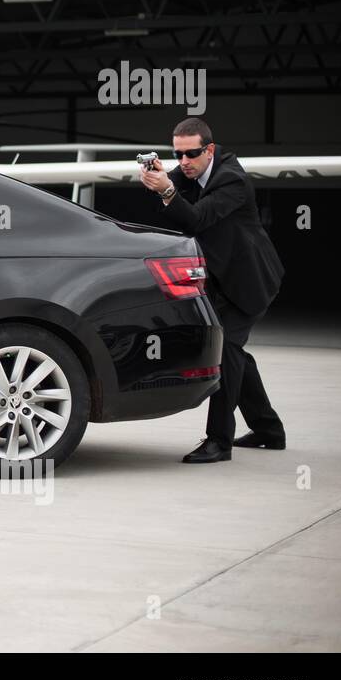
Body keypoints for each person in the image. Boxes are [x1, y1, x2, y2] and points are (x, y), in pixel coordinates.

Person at [139, 117, 286, 463]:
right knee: (235, 353)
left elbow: (196, 218)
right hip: (221, 280)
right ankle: (268, 430)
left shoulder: (231, 179)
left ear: (210, 150)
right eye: (177, 154)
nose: (184, 161)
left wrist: (166, 189)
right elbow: (170, 197)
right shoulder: (188, 171)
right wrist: (157, 179)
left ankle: (219, 441)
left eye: (191, 154)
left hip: (251, 281)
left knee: (226, 352)